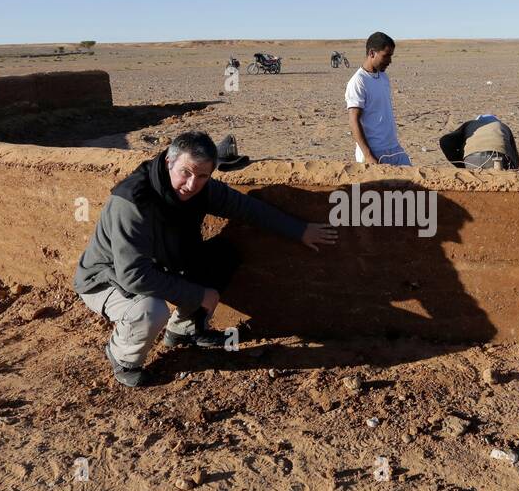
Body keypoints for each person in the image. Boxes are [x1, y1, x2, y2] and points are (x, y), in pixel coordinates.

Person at [73, 131, 337, 387]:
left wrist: (299, 230)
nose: (191, 185)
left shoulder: (202, 189)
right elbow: (133, 275)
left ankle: (184, 330)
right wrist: (198, 296)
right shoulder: (133, 202)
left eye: (202, 176)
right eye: (185, 173)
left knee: (222, 255)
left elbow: (247, 208)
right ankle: (123, 358)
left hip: (157, 264)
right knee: (151, 310)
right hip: (108, 278)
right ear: (169, 162)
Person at [346, 31, 409, 165]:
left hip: (393, 148)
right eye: (386, 56)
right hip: (374, 152)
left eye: (391, 56)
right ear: (372, 53)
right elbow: (353, 121)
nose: (390, 61)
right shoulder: (358, 82)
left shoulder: (383, 77)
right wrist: (368, 156)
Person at [438, 114, 519, 170]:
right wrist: (513, 169)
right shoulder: (503, 126)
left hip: (471, 160)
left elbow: (445, 141)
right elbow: (514, 154)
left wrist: (460, 164)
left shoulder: (470, 124)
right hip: (499, 159)